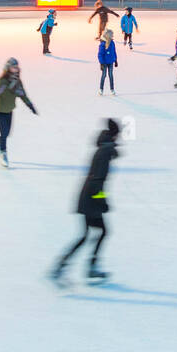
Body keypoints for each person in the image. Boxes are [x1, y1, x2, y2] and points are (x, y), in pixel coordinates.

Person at [50, 119, 121, 284]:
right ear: (115, 135)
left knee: (90, 234)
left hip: (87, 197)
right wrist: (102, 201)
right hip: (90, 198)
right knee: (96, 233)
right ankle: (77, 267)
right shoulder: (105, 152)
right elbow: (97, 181)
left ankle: (67, 266)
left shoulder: (104, 149)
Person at [0, 57, 38, 166]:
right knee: (4, 133)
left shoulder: (17, 82)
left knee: (7, 133)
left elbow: (22, 95)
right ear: (8, 68)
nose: (15, 69)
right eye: (13, 67)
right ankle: (3, 154)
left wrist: (31, 106)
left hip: (9, 110)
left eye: (16, 67)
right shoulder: (2, 82)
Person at [97, 28, 118, 96]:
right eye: (111, 35)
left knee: (111, 75)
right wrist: (101, 63)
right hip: (105, 63)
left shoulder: (112, 43)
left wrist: (115, 60)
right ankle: (101, 89)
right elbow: (100, 54)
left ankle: (112, 89)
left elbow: (114, 52)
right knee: (104, 75)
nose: (112, 36)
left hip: (111, 62)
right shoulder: (102, 44)